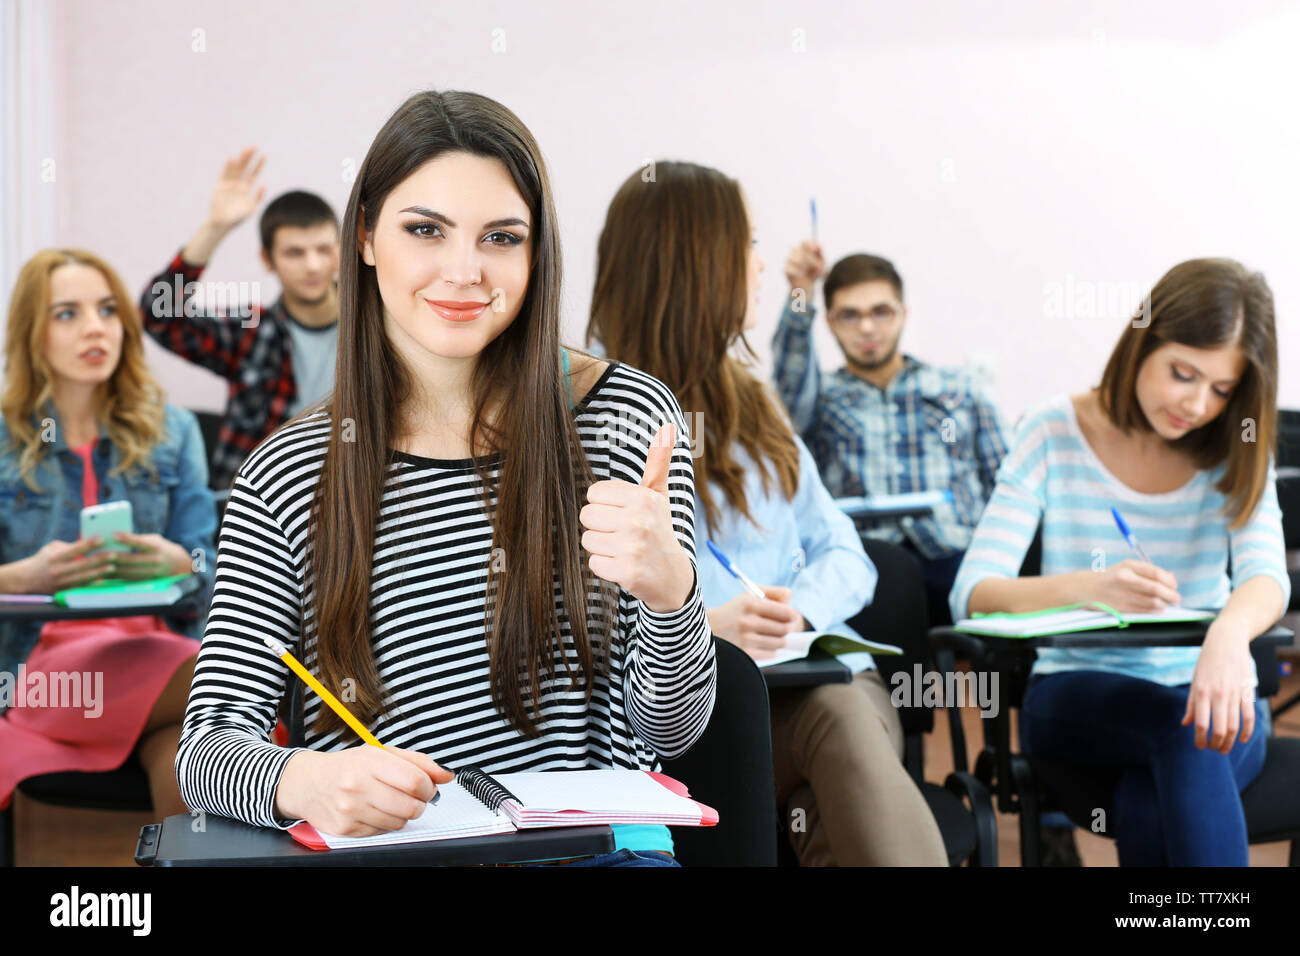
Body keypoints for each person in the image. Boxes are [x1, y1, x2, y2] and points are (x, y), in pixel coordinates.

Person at [174, 90, 716, 868]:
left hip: (596, 857)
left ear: (536, 255)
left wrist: (672, 595)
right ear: (364, 238)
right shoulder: (288, 473)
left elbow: (673, 733)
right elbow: (207, 750)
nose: (464, 271)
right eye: (425, 229)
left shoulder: (627, 417)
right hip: (392, 856)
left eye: (501, 237)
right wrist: (307, 777)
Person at [588, 160, 948, 866]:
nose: (760, 268)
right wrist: (700, 622)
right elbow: (578, 613)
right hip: (699, 716)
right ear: (696, 262)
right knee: (829, 776)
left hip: (820, 678)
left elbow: (845, 549)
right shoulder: (596, 413)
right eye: (747, 246)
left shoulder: (755, 403)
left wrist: (803, 612)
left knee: (837, 732)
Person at [949, 258, 1290, 866]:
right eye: (1182, 373)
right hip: (1077, 695)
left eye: (1222, 388)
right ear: (1141, 342)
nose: (1197, 405)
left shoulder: (1235, 444)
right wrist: (1091, 588)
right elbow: (972, 592)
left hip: (1212, 693)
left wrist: (1229, 632)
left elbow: (1266, 573)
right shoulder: (1053, 429)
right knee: (1181, 735)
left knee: (1153, 789)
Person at [0, 249, 216, 821]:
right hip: (43, 671)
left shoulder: (172, 429)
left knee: (190, 760)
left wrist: (180, 563)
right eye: (67, 314)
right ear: (31, 333)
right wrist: (24, 577)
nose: (95, 327)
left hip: (158, 653)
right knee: (218, 683)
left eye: (106, 310)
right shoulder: (3, 437)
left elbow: (214, 570)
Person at [774, 243, 1009, 626]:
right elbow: (788, 389)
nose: (867, 328)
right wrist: (801, 292)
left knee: (980, 608)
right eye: (850, 315)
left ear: (903, 314)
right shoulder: (817, 401)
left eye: (880, 312)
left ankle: (971, 681)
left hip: (957, 555)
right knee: (869, 583)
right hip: (868, 559)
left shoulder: (962, 388)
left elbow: (1008, 487)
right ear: (830, 321)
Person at [139, 150, 341, 490]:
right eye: (295, 252)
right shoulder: (251, 332)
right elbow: (159, 315)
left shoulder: (378, 327)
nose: (313, 266)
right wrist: (215, 228)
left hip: (355, 504)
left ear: (342, 249)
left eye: (324, 249)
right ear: (267, 259)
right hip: (263, 509)